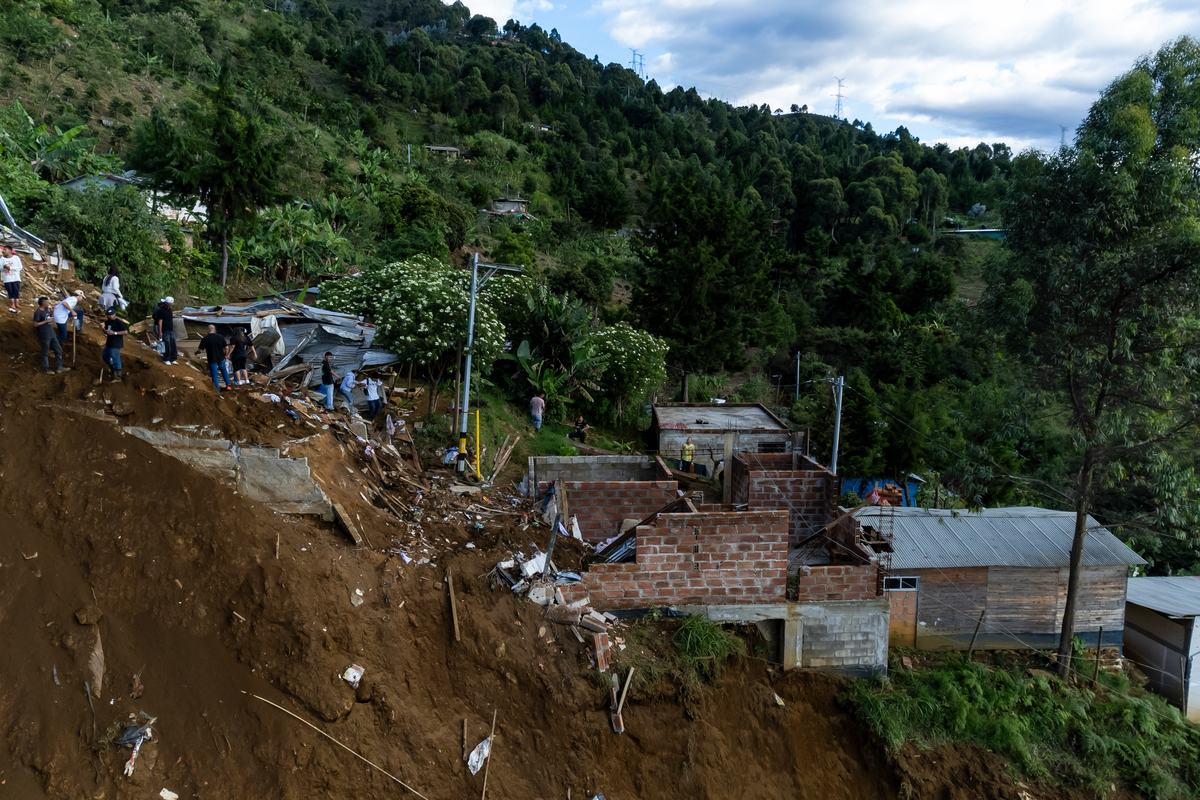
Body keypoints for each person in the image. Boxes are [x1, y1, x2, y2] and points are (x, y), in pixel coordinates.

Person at [195, 324, 232, 392]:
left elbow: (200, 350)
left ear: (208, 330)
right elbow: (226, 347)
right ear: (214, 330)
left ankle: (217, 390)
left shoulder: (205, 338)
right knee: (224, 370)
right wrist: (226, 355)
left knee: (214, 374)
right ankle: (228, 385)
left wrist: (195, 353)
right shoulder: (220, 337)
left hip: (212, 359)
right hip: (221, 358)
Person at [33, 297, 66, 373]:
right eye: (47, 303)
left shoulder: (46, 310)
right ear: (43, 303)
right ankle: (47, 369)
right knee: (45, 352)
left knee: (58, 349)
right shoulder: (38, 312)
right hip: (44, 335)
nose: (48, 304)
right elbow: (35, 324)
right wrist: (46, 321)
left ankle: (59, 367)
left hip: (52, 334)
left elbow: (52, 320)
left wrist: (52, 312)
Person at [102, 307, 128, 382]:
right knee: (105, 356)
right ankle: (113, 369)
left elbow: (125, 332)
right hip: (109, 343)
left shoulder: (119, 322)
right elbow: (107, 332)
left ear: (115, 314)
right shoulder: (107, 322)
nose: (110, 316)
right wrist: (103, 329)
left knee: (116, 359)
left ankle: (118, 377)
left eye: (112, 314)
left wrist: (115, 333)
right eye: (109, 315)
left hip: (116, 344)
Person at [153, 297, 177, 364]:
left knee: (172, 343)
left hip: (170, 329)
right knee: (167, 344)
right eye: (169, 304)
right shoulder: (161, 310)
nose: (170, 305)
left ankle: (173, 358)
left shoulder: (170, 310)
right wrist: (160, 332)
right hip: (165, 329)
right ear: (166, 303)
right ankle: (166, 358)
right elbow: (160, 321)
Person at [2, 244, 23, 313]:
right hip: (7, 278)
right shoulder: (2, 259)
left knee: (16, 290)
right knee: (10, 291)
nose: (3, 251)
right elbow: (0, 268)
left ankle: (17, 303)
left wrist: (10, 268)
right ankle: (12, 303)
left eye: (5, 249)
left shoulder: (16, 258)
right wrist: (3, 267)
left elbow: (20, 267)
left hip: (15, 278)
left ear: (10, 251)